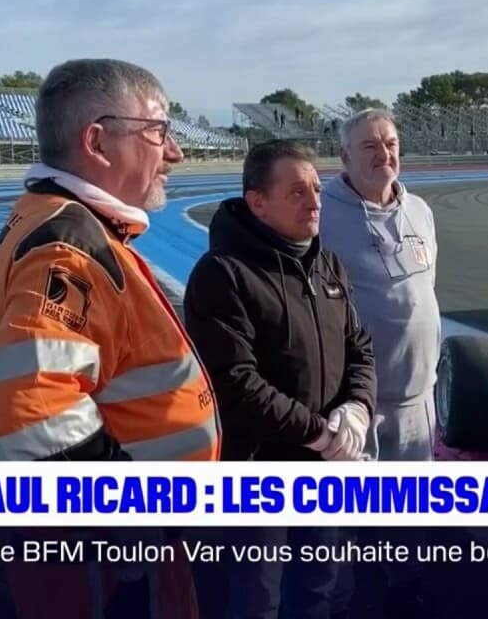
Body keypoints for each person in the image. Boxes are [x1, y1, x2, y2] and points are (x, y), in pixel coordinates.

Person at [0, 58, 220, 619]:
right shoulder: (70, 244)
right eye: (159, 132)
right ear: (97, 141)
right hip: (102, 564)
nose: (175, 152)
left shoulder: (63, 222)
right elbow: (34, 420)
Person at [182, 138, 377, 619]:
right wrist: (319, 433)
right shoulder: (222, 274)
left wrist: (357, 407)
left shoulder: (328, 265)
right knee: (256, 600)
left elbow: (361, 349)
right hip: (257, 476)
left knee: (319, 591)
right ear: (257, 202)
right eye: (296, 192)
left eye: (315, 188)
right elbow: (234, 383)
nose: (315, 201)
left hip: (325, 469)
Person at [318, 108, 440, 616]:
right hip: (355, 403)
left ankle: (404, 592)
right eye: (368, 146)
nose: (382, 154)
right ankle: (340, 604)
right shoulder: (320, 214)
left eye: (389, 144)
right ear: (345, 156)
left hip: (418, 399)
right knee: (343, 522)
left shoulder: (422, 212)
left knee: (409, 515)